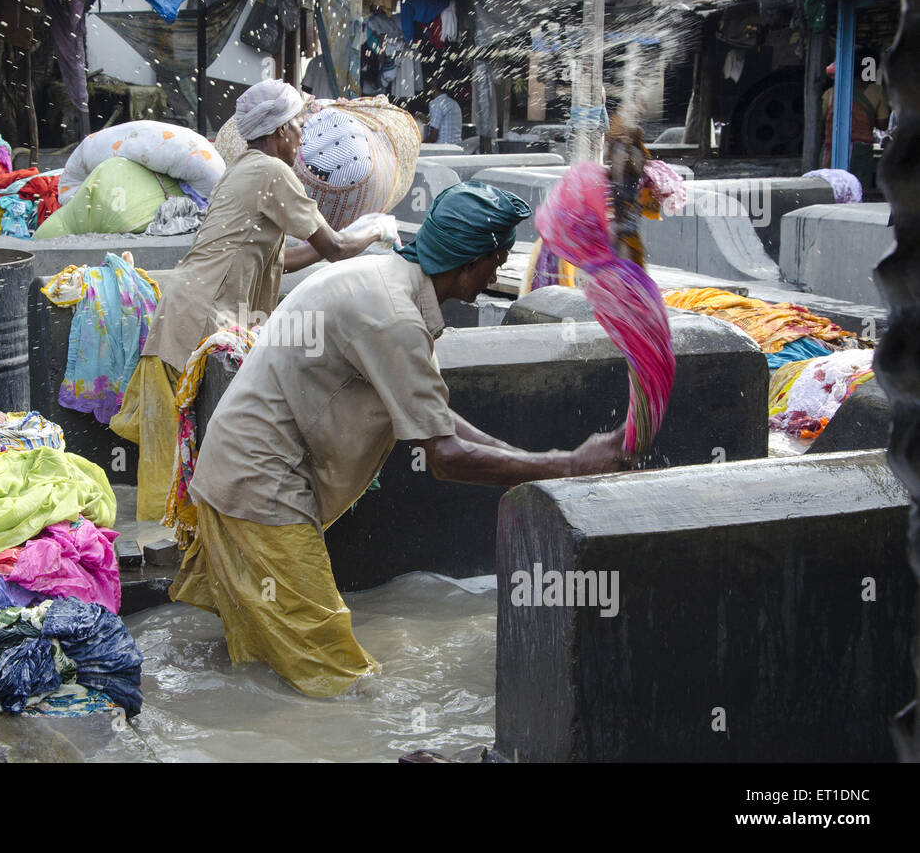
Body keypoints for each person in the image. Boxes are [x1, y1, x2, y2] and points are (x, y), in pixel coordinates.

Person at [168, 181, 633, 697]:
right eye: (496, 260)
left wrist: (545, 461)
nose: (497, 273)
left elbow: (438, 419)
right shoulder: (393, 317)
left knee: (259, 658)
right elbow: (445, 457)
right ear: (468, 261)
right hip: (260, 487)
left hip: (242, 474)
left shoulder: (390, 285)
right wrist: (568, 466)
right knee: (338, 680)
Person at [110, 79, 394, 520]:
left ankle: (185, 542)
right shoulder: (272, 172)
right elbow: (335, 249)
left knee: (183, 448)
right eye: (299, 128)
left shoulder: (243, 169)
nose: (302, 140)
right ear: (280, 131)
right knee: (194, 451)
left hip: (184, 308)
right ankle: (196, 548)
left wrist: (349, 238)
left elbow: (290, 259)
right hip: (201, 315)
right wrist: (376, 231)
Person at [821, 52, 889, 190]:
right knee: (858, 193)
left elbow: (822, 121)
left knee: (831, 191)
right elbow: (883, 125)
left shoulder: (830, 93)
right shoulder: (876, 92)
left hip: (832, 151)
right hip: (861, 154)